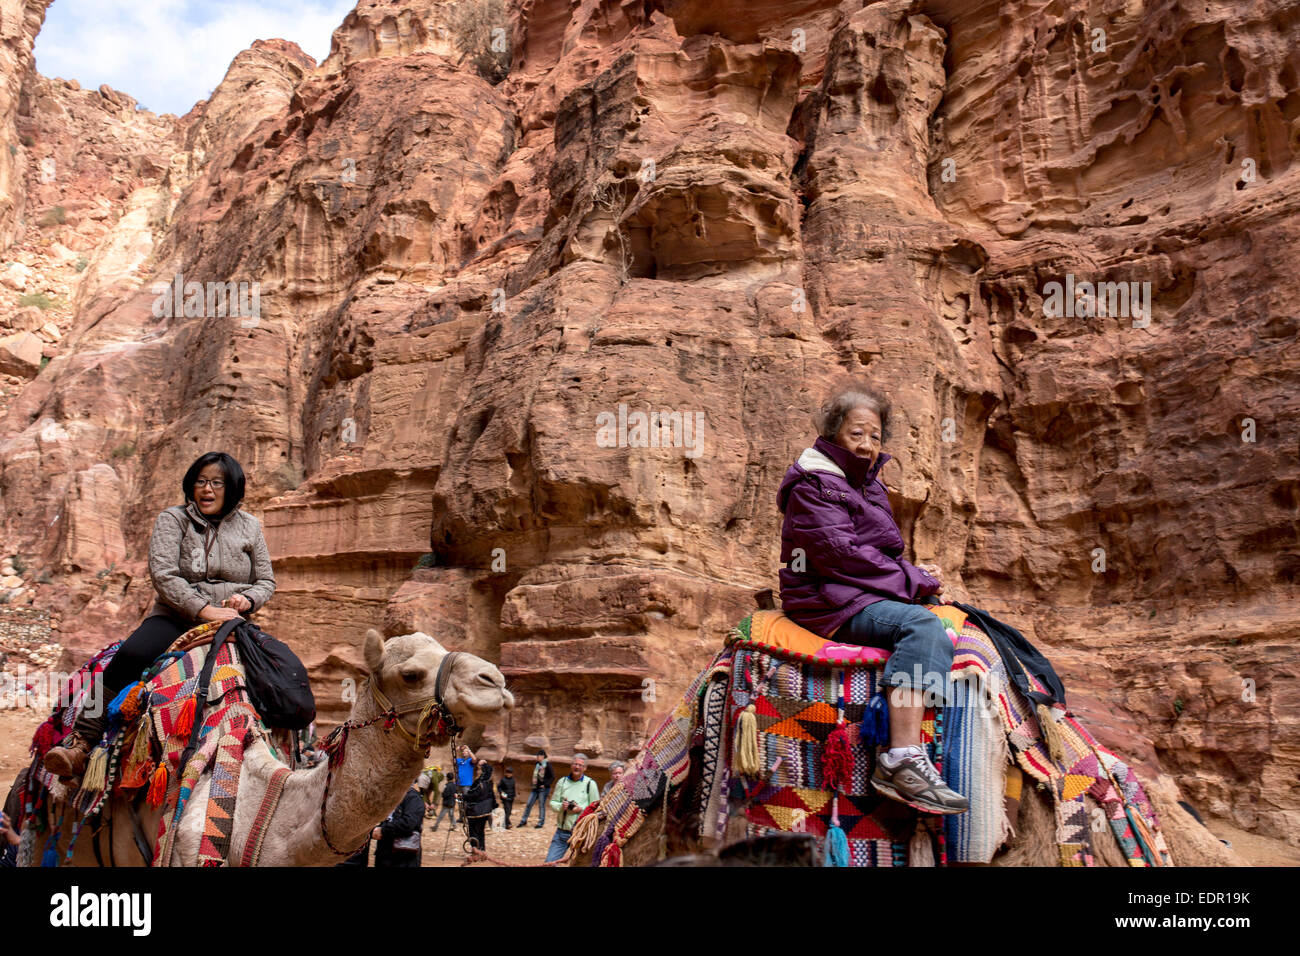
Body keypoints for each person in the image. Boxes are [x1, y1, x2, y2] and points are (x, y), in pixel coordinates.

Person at [778, 378, 968, 816]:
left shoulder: (865, 483)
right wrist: (915, 581)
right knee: (923, 626)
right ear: (832, 434)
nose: (866, 444)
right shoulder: (815, 485)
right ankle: (900, 759)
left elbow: (874, 554)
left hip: (854, 590)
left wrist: (919, 576)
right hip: (824, 598)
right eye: (856, 433)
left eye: (875, 435)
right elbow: (840, 555)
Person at [43, 451, 276, 779]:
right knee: (129, 655)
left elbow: (266, 581)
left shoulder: (250, 526)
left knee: (281, 672)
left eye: (216, 483)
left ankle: (284, 756)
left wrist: (247, 599)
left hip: (233, 621)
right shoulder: (173, 519)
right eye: (201, 481)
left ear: (233, 488)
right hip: (176, 615)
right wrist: (204, 609)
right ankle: (80, 741)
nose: (207, 489)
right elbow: (164, 574)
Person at [544, 753, 599, 863]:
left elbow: (596, 807)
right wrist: (561, 806)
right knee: (550, 862)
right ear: (571, 765)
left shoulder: (590, 784)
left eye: (580, 765)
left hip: (582, 834)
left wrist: (581, 809)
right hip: (562, 832)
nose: (577, 767)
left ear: (585, 768)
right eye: (575, 764)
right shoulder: (562, 782)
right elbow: (553, 803)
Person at [373, 784, 424, 867]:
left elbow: (408, 824)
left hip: (403, 856)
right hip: (385, 853)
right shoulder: (392, 797)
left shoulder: (413, 798)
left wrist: (383, 830)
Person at [463, 758, 497, 852]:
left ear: (482, 771)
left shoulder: (478, 783)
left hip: (475, 811)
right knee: (481, 831)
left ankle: (475, 849)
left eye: (479, 769)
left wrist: (463, 797)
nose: (477, 771)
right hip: (485, 811)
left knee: (473, 831)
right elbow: (492, 797)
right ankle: (482, 849)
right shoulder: (489, 782)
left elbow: (474, 795)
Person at [518, 750, 555, 828]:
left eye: (538, 756)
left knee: (541, 806)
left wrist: (545, 784)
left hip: (543, 789)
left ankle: (540, 823)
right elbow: (536, 776)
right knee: (529, 804)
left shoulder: (547, 765)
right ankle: (523, 820)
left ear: (542, 756)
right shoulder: (537, 764)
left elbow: (552, 776)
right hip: (535, 788)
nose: (537, 757)